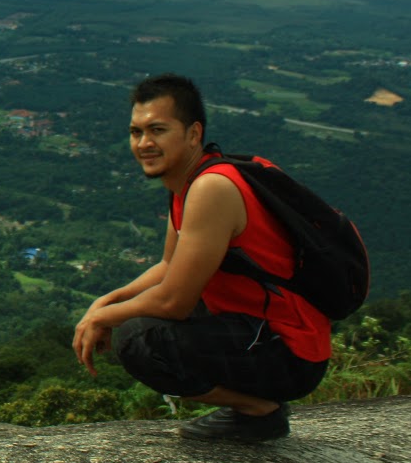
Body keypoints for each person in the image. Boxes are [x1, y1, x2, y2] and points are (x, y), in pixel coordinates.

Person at [72, 73, 330, 441]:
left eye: (158, 130)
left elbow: (174, 301)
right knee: (137, 315)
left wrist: (102, 318)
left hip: (288, 351)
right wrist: (108, 300)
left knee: (136, 339)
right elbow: (167, 267)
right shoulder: (188, 183)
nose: (144, 143)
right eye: (135, 132)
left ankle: (260, 410)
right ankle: (254, 403)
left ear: (193, 133)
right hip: (264, 334)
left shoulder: (212, 188)